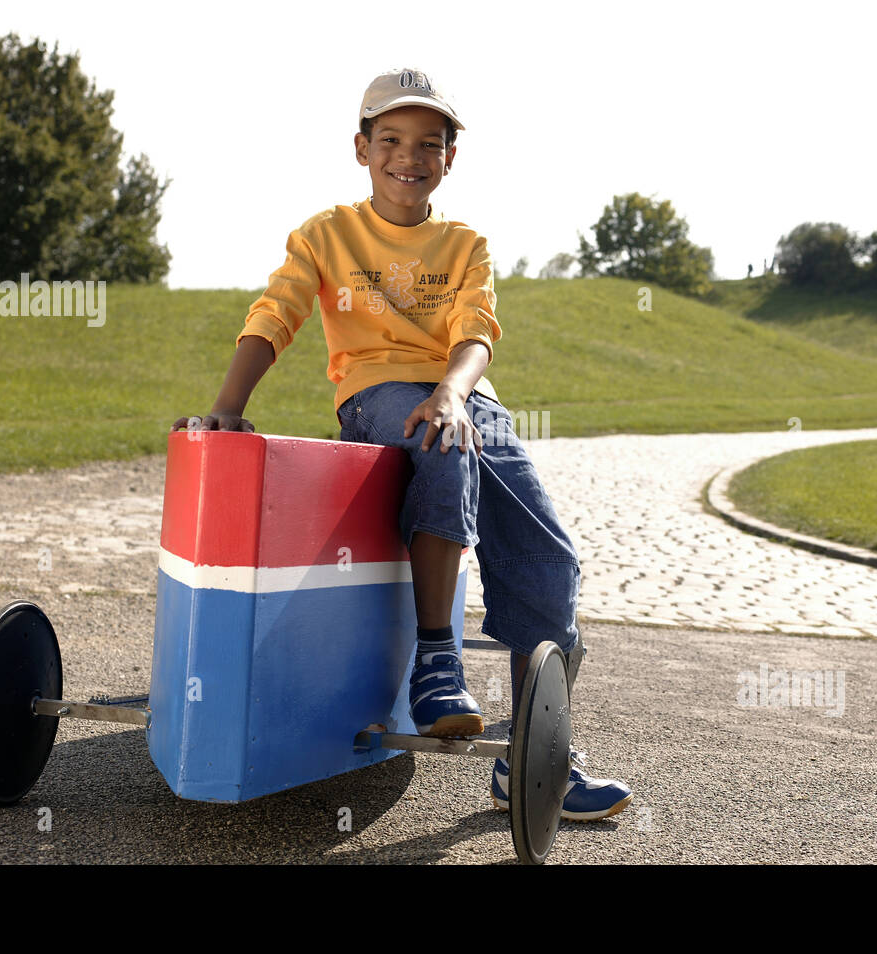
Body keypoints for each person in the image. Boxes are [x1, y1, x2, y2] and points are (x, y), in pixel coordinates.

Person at [170, 68, 631, 821]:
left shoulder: (466, 243)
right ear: (361, 148)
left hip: (466, 398)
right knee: (439, 445)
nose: (408, 156)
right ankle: (436, 667)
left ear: (451, 156)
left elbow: (476, 332)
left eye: (428, 143)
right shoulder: (325, 234)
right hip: (379, 397)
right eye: (390, 140)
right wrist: (228, 406)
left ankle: (535, 756)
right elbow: (275, 313)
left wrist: (454, 391)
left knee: (553, 560)